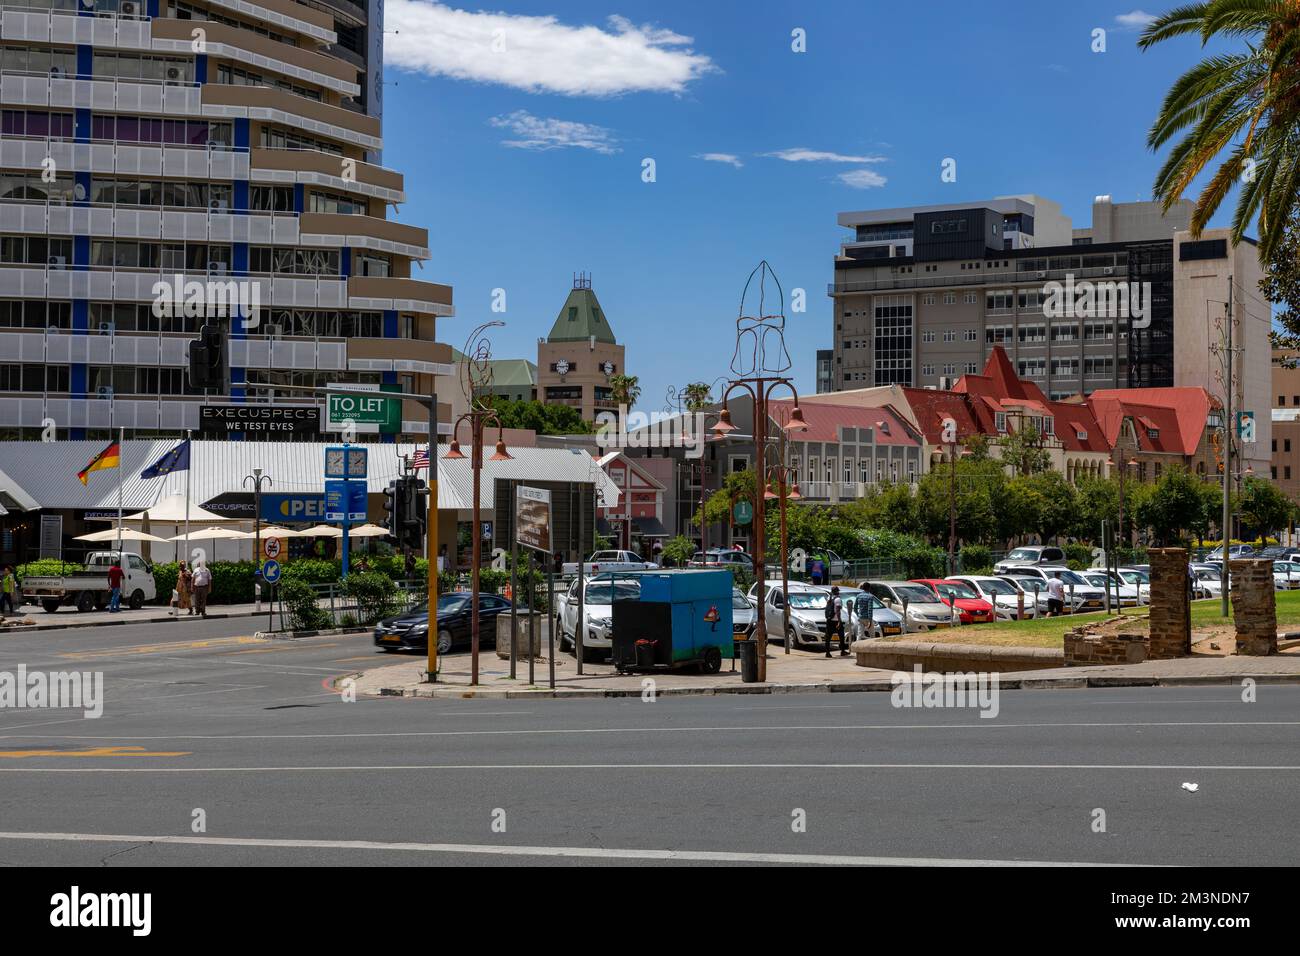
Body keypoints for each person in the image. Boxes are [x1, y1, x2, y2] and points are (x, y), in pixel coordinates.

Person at [823, 585, 848, 657]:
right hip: (836, 620)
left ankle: (827, 653)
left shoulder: (829, 598)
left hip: (829, 620)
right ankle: (842, 651)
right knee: (841, 636)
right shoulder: (838, 599)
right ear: (837, 592)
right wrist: (839, 621)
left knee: (828, 637)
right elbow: (838, 611)